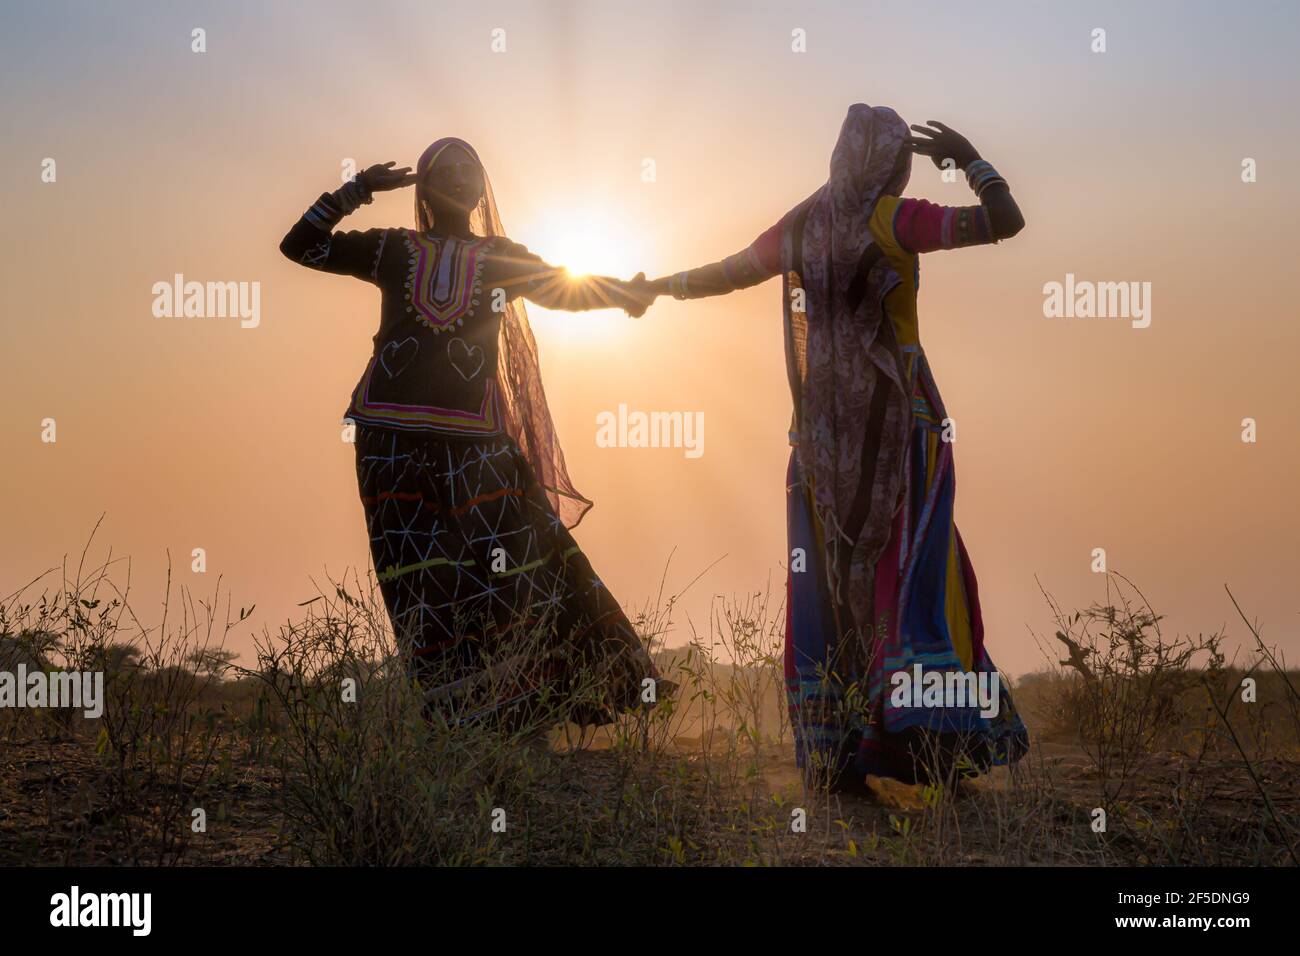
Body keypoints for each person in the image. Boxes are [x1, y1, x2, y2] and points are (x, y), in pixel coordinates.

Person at [635, 105, 1029, 790]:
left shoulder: (803, 227)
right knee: (911, 589)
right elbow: (1005, 221)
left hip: (818, 448)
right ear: (894, 164)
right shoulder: (898, 219)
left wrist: (650, 288)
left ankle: (838, 760)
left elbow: (725, 273)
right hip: (902, 438)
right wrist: (970, 155)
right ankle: (926, 746)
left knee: (825, 591)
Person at [279, 137, 661, 727]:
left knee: (524, 556)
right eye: (446, 170)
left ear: (482, 188)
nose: (459, 179)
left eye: (469, 170)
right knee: (418, 579)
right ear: (425, 189)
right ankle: (453, 718)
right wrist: (356, 192)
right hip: (390, 440)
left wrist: (625, 294)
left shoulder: (500, 256)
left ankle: (518, 706)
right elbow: (298, 247)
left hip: (474, 443)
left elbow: (566, 288)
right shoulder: (391, 250)